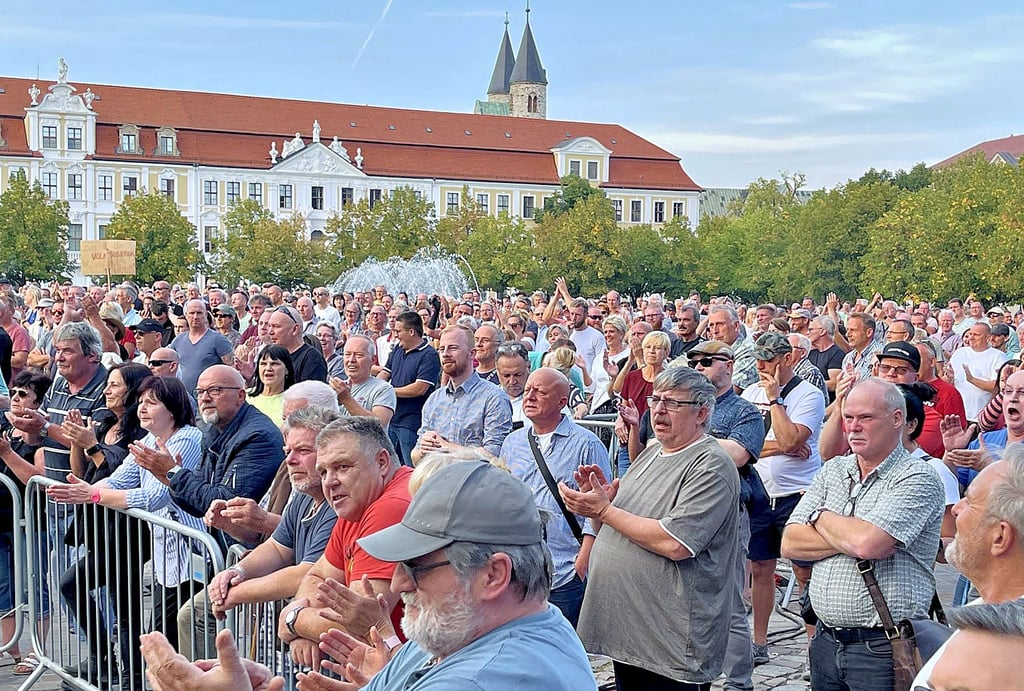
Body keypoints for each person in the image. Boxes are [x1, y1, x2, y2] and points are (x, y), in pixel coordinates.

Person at [300, 460, 596, 691]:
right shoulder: (458, 626)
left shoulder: (480, 678)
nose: (398, 582)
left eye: (416, 566)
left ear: (493, 575)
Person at [562, 367, 740, 690]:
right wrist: (600, 505)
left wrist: (605, 509)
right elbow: (619, 521)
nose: (657, 410)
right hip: (630, 633)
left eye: (672, 403)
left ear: (701, 413)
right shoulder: (653, 452)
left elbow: (676, 542)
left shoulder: (711, 465)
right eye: (656, 399)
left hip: (669, 643)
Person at [780, 377, 944, 691]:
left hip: (882, 646)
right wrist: (851, 531)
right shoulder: (833, 471)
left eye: (866, 418)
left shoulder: (917, 476)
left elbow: (869, 544)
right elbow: (790, 543)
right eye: (848, 417)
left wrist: (818, 516)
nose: (853, 427)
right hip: (825, 641)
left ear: (898, 420)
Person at [47, 375, 205, 688]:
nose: (142, 408)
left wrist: (91, 495)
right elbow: (120, 479)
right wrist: (89, 488)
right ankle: (124, 672)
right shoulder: (147, 441)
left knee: (166, 640)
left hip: (191, 554)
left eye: (151, 403)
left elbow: (154, 498)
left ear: (172, 409)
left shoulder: (186, 438)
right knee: (159, 638)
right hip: (165, 555)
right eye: (141, 401)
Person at [178, 407, 338, 659]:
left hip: (319, 621)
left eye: (304, 451)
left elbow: (307, 572)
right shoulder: (305, 495)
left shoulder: (337, 502)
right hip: (295, 612)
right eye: (288, 452)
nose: (290, 460)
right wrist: (236, 572)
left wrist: (235, 593)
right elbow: (277, 547)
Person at [277, 417, 412, 671]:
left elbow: (360, 623)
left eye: (342, 467)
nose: (329, 481)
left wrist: (293, 619)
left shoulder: (390, 506)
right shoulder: (358, 502)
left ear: (382, 462)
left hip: (405, 675)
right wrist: (307, 629)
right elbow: (317, 576)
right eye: (324, 471)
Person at [499, 367, 610, 628]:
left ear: (562, 401)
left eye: (540, 392)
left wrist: (583, 561)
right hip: (521, 565)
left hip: (565, 567)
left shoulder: (587, 444)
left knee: (563, 645)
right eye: (528, 391)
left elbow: (600, 505)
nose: (530, 396)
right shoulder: (513, 442)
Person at [132, 365, 284, 554]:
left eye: (215, 390)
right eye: (200, 392)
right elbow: (199, 504)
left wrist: (173, 473)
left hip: (250, 553)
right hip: (224, 548)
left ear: (241, 396)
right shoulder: (214, 430)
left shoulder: (257, 436)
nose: (205, 397)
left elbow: (225, 505)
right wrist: (168, 477)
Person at [741, 332, 825, 665]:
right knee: (761, 568)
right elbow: (745, 446)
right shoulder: (749, 392)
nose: (762, 366)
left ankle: (813, 647)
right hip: (761, 492)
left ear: (787, 359)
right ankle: (759, 641)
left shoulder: (809, 394)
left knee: (805, 572)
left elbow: (792, 437)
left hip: (796, 494)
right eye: (759, 359)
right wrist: (778, 446)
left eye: (769, 360)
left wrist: (775, 400)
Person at [911, 450, 1024, 687]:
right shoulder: (986, 611)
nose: (956, 508)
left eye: (970, 501)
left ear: (1000, 537)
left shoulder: (1002, 643)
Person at [0, 369, 52, 676]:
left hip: (31, 522)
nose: (16, 400)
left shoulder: (40, 439)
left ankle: (38, 649)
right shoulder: (4, 429)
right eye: (14, 394)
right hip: (3, 522)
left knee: (34, 583)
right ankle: (10, 648)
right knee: (5, 586)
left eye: (23, 395)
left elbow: (38, 479)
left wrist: (7, 454)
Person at [412, 325, 511, 464]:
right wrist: (423, 449)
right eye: (441, 349)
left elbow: (495, 455)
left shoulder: (494, 397)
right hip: (437, 481)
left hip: (475, 482)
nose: (445, 354)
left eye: (453, 348)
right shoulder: (434, 399)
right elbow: (415, 457)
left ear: (472, 353)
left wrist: (445, 447)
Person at [377, 311, 440, 466]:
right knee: (389, 464)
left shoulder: (429, 355)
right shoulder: (398, 349)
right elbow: (386, 372)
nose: (395, 335)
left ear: (411, 331)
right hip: (393, 418)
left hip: (412, 422)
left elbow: (420, 388)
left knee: (411, 466)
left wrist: (388, 392)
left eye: (399, 331)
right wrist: (375, 388)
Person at [330, 334, 395, 431]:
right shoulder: (337, 387)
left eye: (359, 355)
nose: (351, 360)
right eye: (347, 354)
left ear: (373, 360)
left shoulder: (383, 389)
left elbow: (379, 425)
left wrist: (346, 399)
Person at [170, 299, 234, 393]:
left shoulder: (218, 339)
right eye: (192, 313)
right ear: (186, 315)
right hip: (184, 398)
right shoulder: (178, 340)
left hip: (210, 396)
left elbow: (232, 368)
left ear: (205, 315)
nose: (195, 317)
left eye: (199, 313)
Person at [950, 322, 1007, 422]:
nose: (971, 337)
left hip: (982, 418)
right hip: (958, 415)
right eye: (970, 334)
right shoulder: (959, 353)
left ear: (987, 338)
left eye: (976, 335)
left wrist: (972, 380)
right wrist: (948, 377)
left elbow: (997, 386)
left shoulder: (998, 356)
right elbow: (948, 379)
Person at [266, 305, 328, 383]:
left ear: (295, 329)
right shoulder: (273, 356)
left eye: (276, 326)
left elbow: (310, 393)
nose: (270, 332)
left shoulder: (312, 358)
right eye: (269, 326)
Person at [247, 345, 296, 427]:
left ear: (287, 369)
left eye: (274, 364)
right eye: (263, 364)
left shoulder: (293, 402)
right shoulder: (244, 396)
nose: (268, 368)